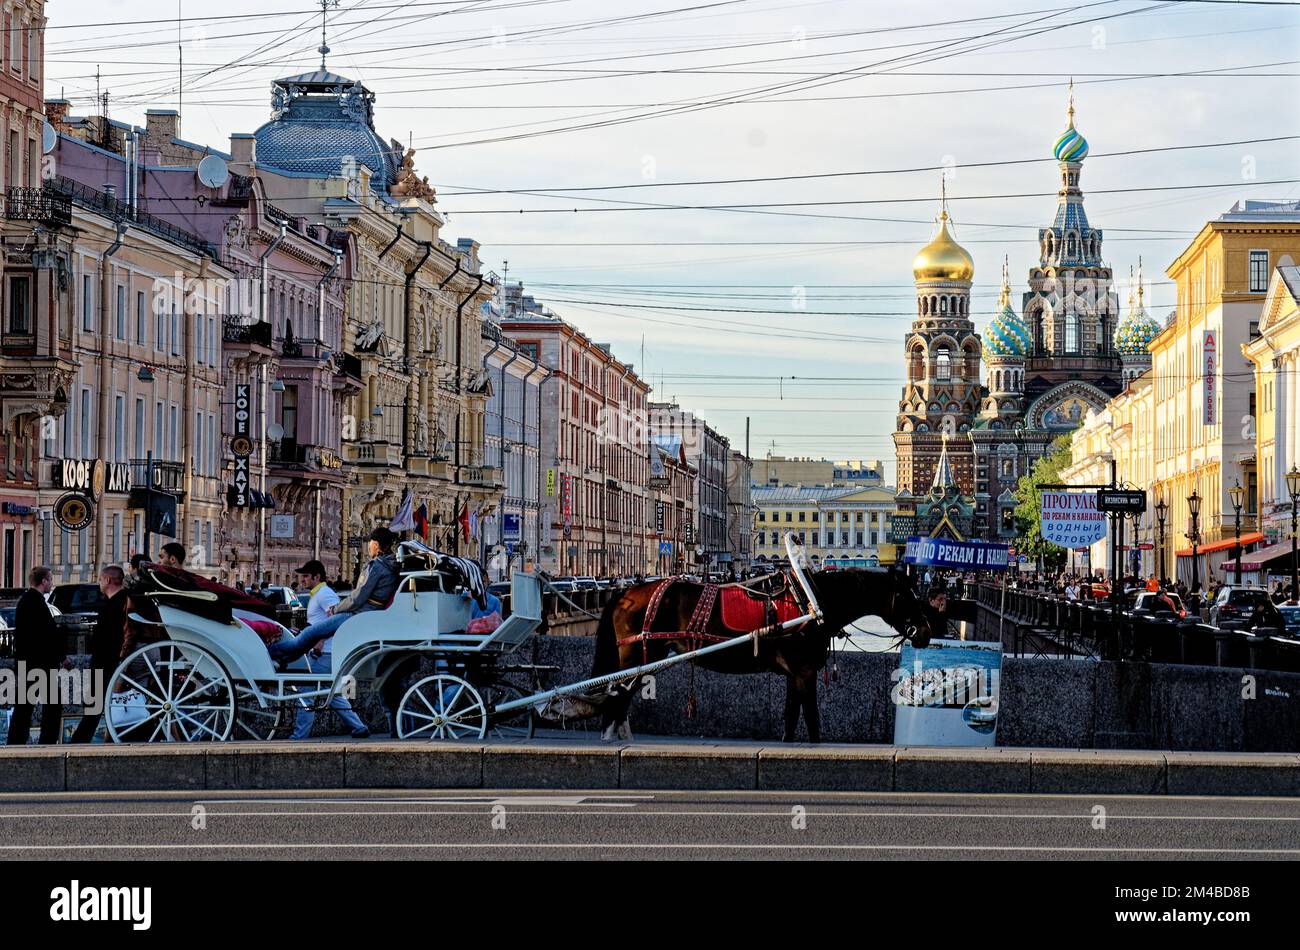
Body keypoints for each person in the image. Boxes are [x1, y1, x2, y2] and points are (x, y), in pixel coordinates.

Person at [268, 527, 400, 664]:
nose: (368, 547)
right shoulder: (391, 565)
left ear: (376, 545)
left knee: (309, 634)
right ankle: (282, 660)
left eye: (370, 543)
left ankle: (268, 653)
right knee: (308, 638)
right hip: (371, 613)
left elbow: (357, 597)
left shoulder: (376, 566)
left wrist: (335, 609)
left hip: (358, 614)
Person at [289, 560, 369, 740]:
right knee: (330, 692)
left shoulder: (324, 594)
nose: (303, 580)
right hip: (327, 651)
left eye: (306, 576)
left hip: (325, 652)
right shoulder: (319, 594)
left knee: (306, 691)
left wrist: (320, 640)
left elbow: (336, 618)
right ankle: (358, 727)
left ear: (317, 577)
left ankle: (300, 736)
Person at [68, 566, 129, 743]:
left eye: (101, 579)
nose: (99, 583)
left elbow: (107, 638)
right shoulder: (124, 601)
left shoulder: (112, 605)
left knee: (93, 707)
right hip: (113, 660)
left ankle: (79, 741)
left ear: (108, 580)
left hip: (106, 661)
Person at [7, 567, 65, 745]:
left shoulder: (26, 601)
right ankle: (46, 739)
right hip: (40, 664)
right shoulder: (36, 602)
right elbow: (47, 634)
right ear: (44, 581)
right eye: (50, 579)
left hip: (29, 662)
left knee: (25, 706)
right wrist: (61, 657)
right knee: (51, 706)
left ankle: (16, 741)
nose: (52, 583)